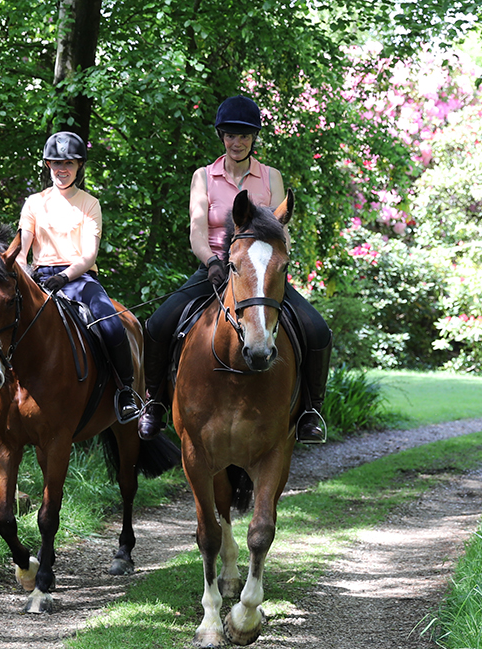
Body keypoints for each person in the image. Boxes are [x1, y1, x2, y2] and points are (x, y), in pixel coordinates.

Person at [138, 95, 332, 443]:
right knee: (157, 324)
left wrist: (272, 264)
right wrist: (212, 262)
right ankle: (154, 403)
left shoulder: (270, 177)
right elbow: (197, 231)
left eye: (244, 135)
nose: (237, 142)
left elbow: (281, 232)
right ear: (221, 136)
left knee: (317, 330)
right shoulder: (203, 177)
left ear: (254, 137)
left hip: (260, 273)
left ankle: (310, 411)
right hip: (214, 268)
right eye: (230, 135)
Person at [18, 131, 142, 423]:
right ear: (47, 164)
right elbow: (21, 252)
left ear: (79, 166)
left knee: (111, 324)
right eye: (56, 163)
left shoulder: (89, 203)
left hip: (78, 279)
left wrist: (63, 277)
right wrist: (26, 277)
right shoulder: (34, 203)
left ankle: (125, 391)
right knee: (0, 318)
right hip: (38, 278)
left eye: (69, 163)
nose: (62, 169)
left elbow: (88, 255)